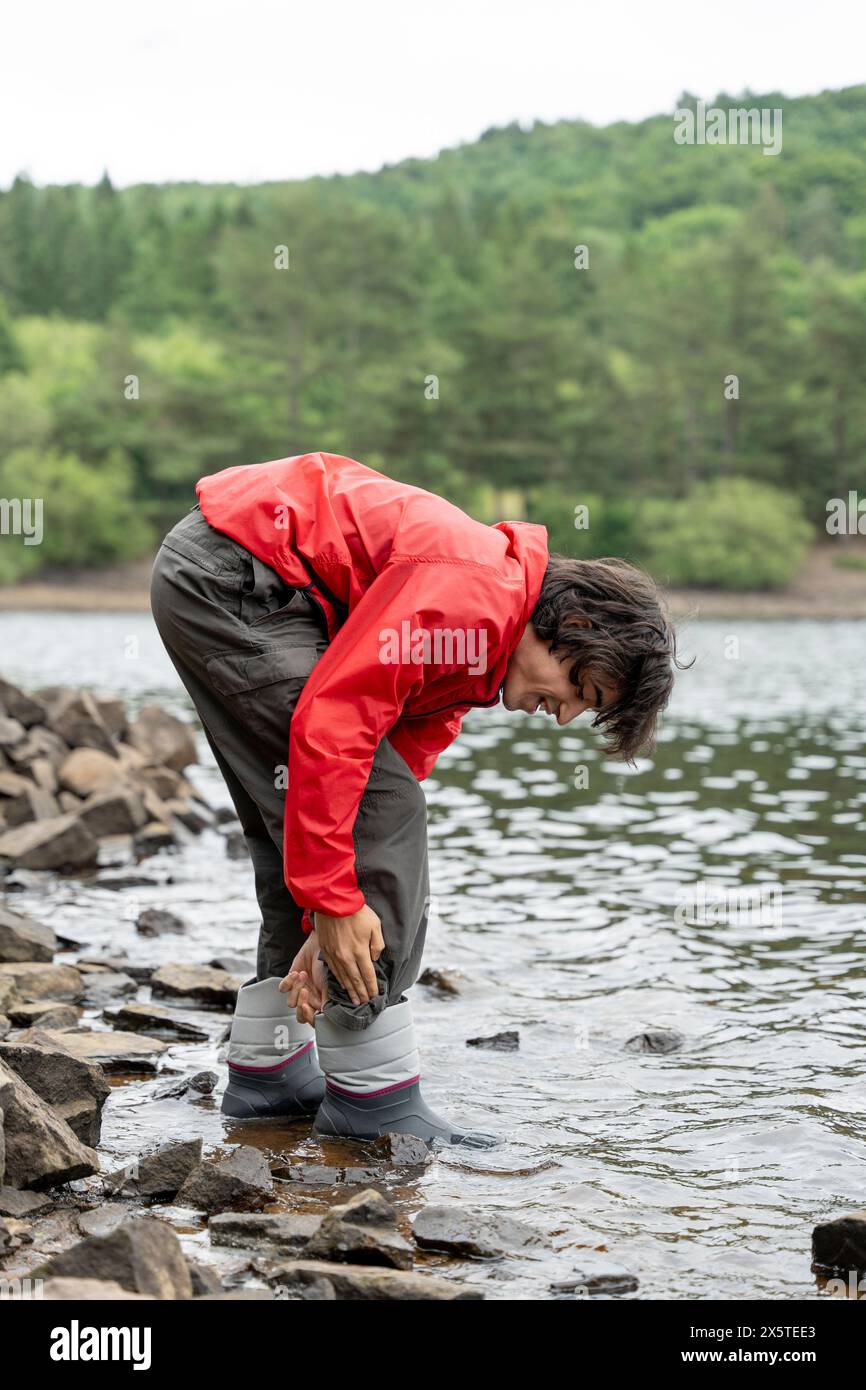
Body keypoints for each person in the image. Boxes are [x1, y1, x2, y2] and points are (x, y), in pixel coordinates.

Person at [149, 451, 680, 1148]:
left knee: (315, 820)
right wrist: (341, 903)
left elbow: (394, 757)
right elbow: (340, 733)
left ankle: (268, 1070)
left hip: (227, 574)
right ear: (575, 628)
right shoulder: (473, 597)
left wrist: (326, 907)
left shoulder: (478, 643)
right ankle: (374, 1098)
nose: (565, 717)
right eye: (585, 694)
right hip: (237, 580)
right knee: (380, 812)